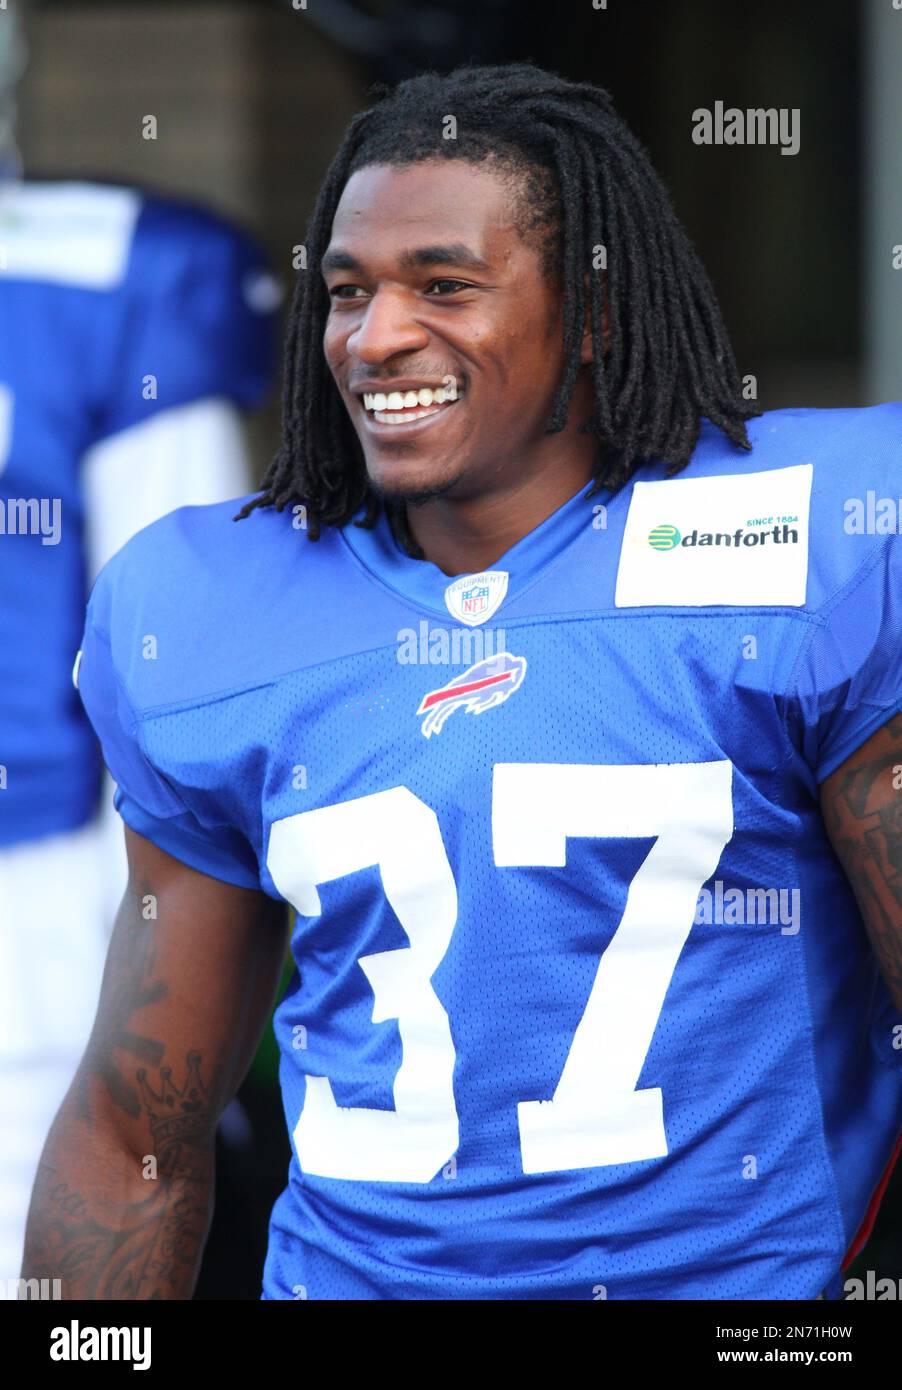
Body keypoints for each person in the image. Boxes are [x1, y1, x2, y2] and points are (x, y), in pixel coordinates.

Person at [21, 60, 902, 1301]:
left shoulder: (818, 544)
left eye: (443, 285)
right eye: (346, 291)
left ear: (592, 312)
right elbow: (135, 1133)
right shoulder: (211, 609)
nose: (377, 336)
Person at [0, 0, 280, 1278]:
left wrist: (172, 954)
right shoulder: (105, 271)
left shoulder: (111, 276)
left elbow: (178, 656)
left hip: (41, 895)